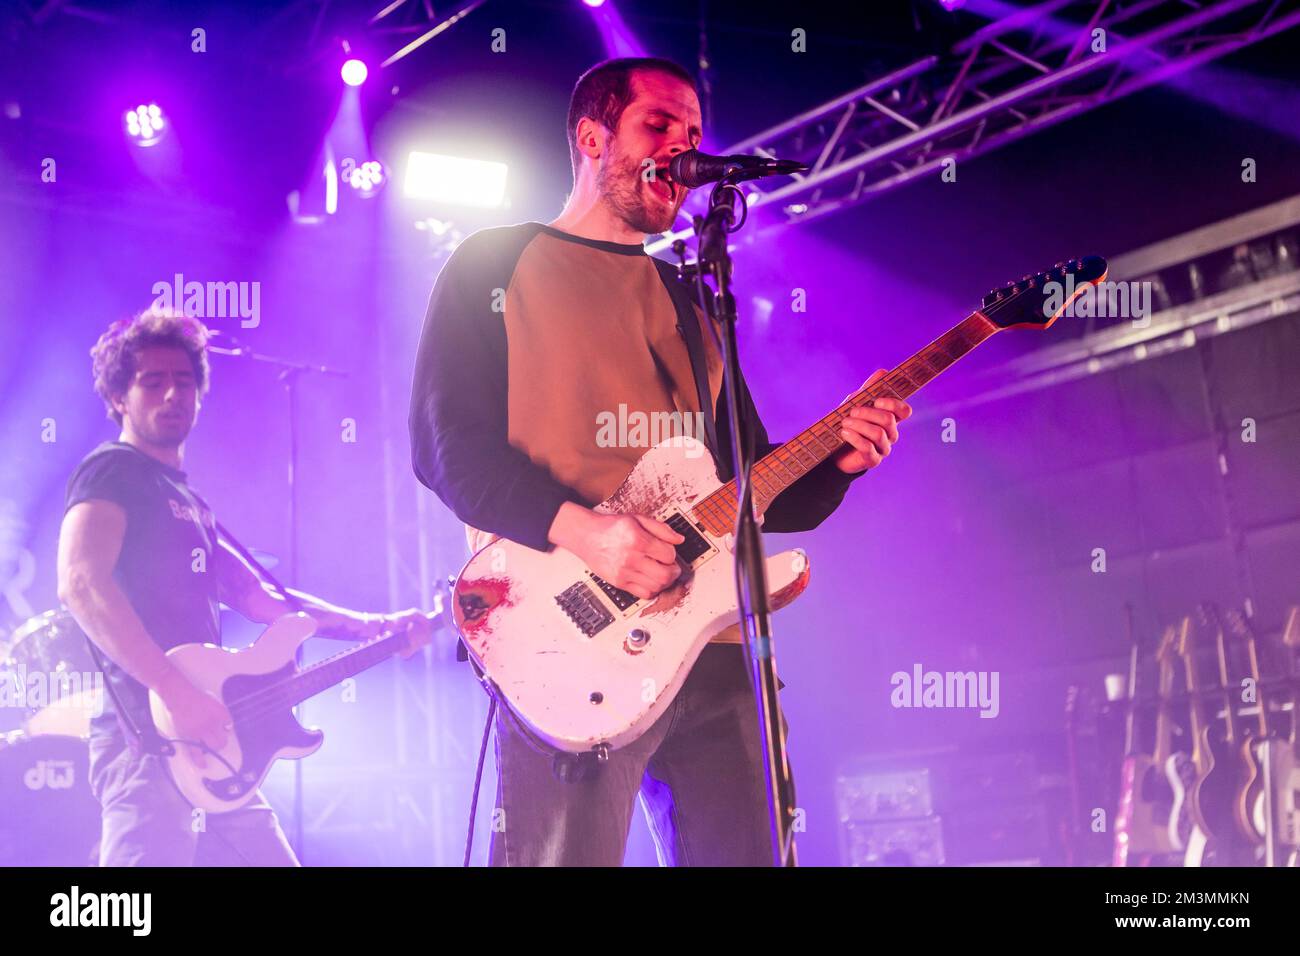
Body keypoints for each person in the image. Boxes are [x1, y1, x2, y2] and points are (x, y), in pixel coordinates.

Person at [409, 56, 911, 866]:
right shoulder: (492, 265)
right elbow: (444, 447)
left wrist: (839, 460)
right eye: (659, 126)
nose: (683, 148)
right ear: (590, 137)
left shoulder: (692, 298)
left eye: (695, 135)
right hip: (564, 632)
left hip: (710, 645)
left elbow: (754, 487)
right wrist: (589, 533)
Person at [58, 309, 431, 866]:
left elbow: (270, 603)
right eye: (151, 382)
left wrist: (378, 629)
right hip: (147, 739)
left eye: (184, 381)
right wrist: (176, 692)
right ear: (118, 397)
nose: (171, 394)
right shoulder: (112, 470)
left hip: (216, 745)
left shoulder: (190, 503)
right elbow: (81, 583)